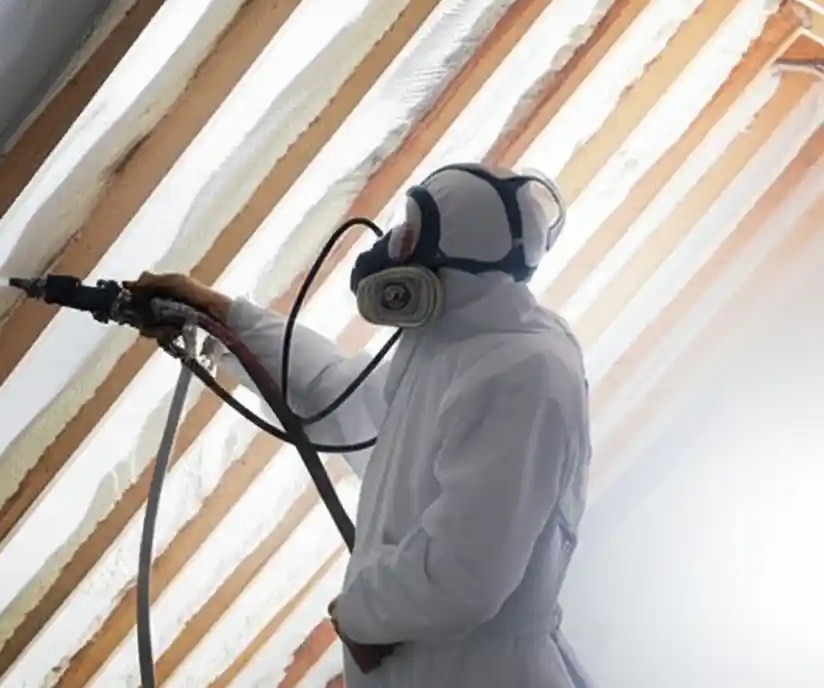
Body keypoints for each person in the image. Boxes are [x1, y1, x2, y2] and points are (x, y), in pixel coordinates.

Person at [130, 163, 594, 687]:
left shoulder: (524, 373)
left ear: (449, 257)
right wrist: (223, 318)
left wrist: (358, 615)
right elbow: (338, 399)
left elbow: (464, 575)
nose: (390, 248)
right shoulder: (448, 346)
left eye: (409, 234)